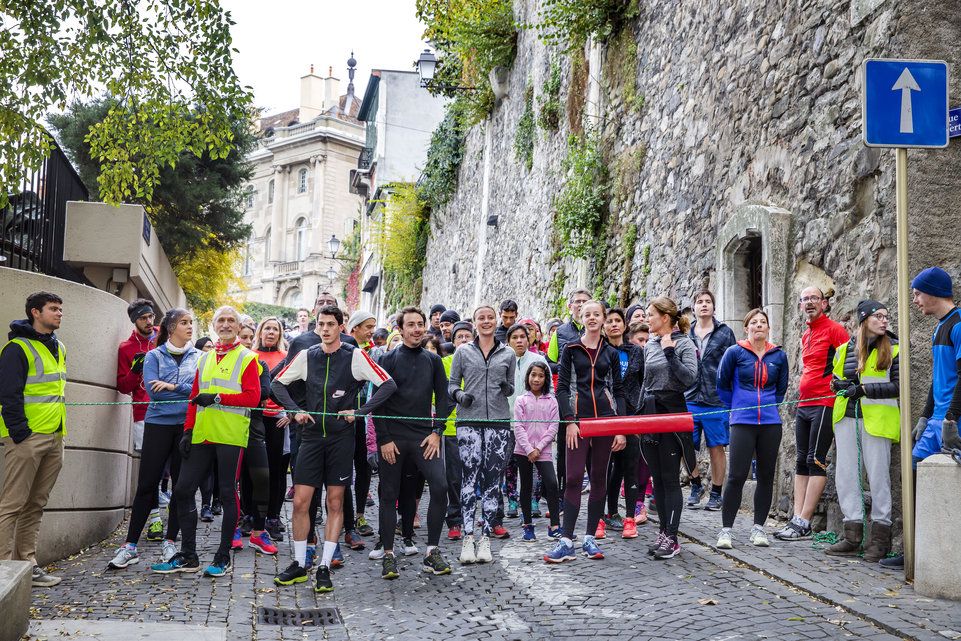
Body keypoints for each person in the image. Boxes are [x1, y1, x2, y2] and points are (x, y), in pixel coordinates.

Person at [271, 305, 397, 593]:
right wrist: (294, 410)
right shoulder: (306, 356)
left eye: (330, 324)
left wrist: (362, 411)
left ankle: (325, 566)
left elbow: (388, 384)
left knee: (335, 503)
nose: (325, 329)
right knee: (302, 502)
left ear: (341, 327)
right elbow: (277, 384)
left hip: (341, 440)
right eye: (321, 324)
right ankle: (301, 564)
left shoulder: (354, 356)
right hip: (311, 438)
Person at [150, 305, 261, 577]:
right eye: (220, 320)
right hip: (202, 433)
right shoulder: (205, 358)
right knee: (183, 490)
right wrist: (188, 430)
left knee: (226, 493)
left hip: (230, 435)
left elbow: (253, 398)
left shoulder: (248, 358)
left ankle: (223, 556)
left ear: (238, 326)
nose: (225, 324)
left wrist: (218, 398)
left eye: (230, 320)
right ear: (213, 325)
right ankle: (189, 555)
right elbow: (194, 397)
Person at [109, 308, 200, 570]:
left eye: (191, 322)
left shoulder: (200, 358)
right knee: (147, 484)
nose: (190, 327)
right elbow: (153, 393)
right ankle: (130, 547)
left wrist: (172, 387)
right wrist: (184, 392)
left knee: (180, 488)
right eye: (184, 323)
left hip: (186, 426)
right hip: (158, 424)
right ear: (171, 328)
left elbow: (198, 391)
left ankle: (170, 542)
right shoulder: (153, 356)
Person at [882, 269, 961, 570]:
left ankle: (942, 555)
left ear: (933, 292)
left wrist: (951, 418)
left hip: (952, 418)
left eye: (917, 293)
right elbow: (937, 379)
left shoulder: (958, 325)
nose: (914, 300)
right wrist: (926, 415)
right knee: (912, 471)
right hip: (937, 418)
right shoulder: (939, 328)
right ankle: (915, 549)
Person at [544, 300, 626, 563]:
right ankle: (567, 539)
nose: (591, 318)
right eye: (587, 314)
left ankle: (590, 537)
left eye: (596, 314)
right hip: (577, 423)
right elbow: (562, 387)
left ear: (603, 319)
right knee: (573, 478)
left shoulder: (611, 352)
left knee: (599, 477)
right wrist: (569, 420)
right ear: (580, 317)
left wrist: (620, 427)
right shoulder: (571, 349)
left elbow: (619, 391)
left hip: (604, 421)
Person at [374, 307, 452, 579]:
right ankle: (388, 554)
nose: (417, 329)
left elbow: (443, 399)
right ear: (401, 329)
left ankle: (431, 551)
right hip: (393, 439)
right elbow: (377, 402)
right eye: (411, 325)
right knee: (388, 494)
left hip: (423, 438)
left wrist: (437, 431)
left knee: (440, 486)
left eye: (420, 324)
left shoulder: (433, 361)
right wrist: (383, 438)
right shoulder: (387, 359)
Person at [0, 292, 67, 587]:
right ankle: (3, 570)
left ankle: (27, 565)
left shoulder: (59, 347)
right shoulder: (16, 348)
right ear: (35, 312)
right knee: (12, 504)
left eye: (60, 309)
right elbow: (8, 395)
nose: (59, 313)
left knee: (36, 504)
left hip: (54, 436)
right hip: (26, 439)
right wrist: (20, 433)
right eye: (53, 309)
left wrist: (57, 434)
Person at [825, 300, 899, 562]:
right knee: (846, 477)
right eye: (878, 316)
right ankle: (852, 535)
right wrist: (839, 385)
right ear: (864, 319)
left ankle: (879, 539)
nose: (884, 320)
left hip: (878, 421)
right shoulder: (844, 350)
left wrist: (865, 390)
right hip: (847, 417)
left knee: (878, 479)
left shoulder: (894, 348)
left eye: (886, 316)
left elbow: (897, 387)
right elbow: (834, 379)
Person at [775, 287, 848, 541]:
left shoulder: (836, 330)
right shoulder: (806, 334)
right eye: (805, 299)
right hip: (804, 404)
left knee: (816, 460)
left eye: (814, 299)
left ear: (824, 303)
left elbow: (849, 365)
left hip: (825, 403)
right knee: (800, 460)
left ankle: (804, 521)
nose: (809, 303)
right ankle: (796, 519)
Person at [715, 308, 789, 550]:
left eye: (763, 322)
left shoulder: (779, 356)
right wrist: (739, 406)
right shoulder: (734, 353)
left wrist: (766, 407)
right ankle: (726, 530)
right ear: (746, 328)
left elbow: (780, 389)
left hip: (770, 423)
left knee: (766, 476)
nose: (759, 325)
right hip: (742, 422)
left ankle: (759, 528)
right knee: (736, 476)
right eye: (754, 322)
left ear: (768, 328)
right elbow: (723, 385)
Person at [449, 306, 515, 564]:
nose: (486, 322)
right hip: (468, 422)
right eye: (481, 318)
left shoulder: (507, 352)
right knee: (469, 478)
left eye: (490, 317)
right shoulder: (462, 352)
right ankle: (468, 537)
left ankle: (485, 536)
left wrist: (507, 387)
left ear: (496, 320)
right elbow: (451, 384)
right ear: (474, 323)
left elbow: (510, 389)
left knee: (492, 480)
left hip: (498, 422)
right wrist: (459, 396)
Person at [640, 296, 698, 560]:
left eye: (651, 314)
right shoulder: (648, 345)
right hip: (651, 413)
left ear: (665, 317)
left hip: (673, 412)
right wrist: (639, 415)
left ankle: (673, 537)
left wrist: (669, 351)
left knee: (671, 477)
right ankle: (663, 532)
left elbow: (689, 379)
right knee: (658, 478)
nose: (646, 319)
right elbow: (645, 383)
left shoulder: (685, 343)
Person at [116, 298, 164, 539]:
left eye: (151, 317)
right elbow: (123, 386)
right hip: (143, 414)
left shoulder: (163, 337)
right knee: (150, 470)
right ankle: (155, 520)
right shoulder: (126, 347)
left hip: (171, 410)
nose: (149, 322)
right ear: (134, 320)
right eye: (143, 318)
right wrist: (135, 372)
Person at [685, 290, 737, 511]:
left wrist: (731, 397)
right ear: (694, 308)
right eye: (699, 302)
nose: (704, 305)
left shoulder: (725, 333)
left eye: (708, 302)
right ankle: (696, 484)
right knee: (685, 445)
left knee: (716, 447)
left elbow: (733, 364)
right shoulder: (685, 333)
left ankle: (716, 492)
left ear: (714, 307)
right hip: (689, 396)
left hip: (716, 399)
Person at [600, 308, 645, 540]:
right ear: (603, 326)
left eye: (618, 321)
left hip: (631, 415)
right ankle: (609, 513)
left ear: (625, 325)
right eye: (609, 321)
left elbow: (640, 381)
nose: (614, 325)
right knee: (609, 467)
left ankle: (629, 517)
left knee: (630, 466)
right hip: (606, 414)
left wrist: (637, 410)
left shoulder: (635, 351)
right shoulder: (600, 351)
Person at [547, 289, 591, 495]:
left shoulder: (597, 330)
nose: (581, 305)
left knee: (594, 451)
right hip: (567, 397)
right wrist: (569, 365)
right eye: (577, 302)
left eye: (585, 301)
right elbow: (550, 362)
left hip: (593, 397)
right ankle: (563, 494)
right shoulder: (561, 333)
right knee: (565, 449)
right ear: (569, 306)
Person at [514, 362, 561, 542]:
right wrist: (528, 449)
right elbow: (518, 427)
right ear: (528, 377)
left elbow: (553, 427)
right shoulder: (521, 400)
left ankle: (555, 525)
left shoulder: (551, 401)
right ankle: (527, 525)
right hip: (523, 451)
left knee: (551, 483)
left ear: (546, 378)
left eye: (541, 375)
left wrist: (538, 448)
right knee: (525, 486)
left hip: (544, 451)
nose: (536, 379)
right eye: (533, 375)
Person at [343, 310, 379, 542]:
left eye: (373, 327)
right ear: (354, 328)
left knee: (364, 466)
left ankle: (359, 515)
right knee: (344, 470)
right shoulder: (343, 350)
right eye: (368, 327)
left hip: (365, 418)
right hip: (345, 418)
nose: (372, 331)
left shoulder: (375, 352)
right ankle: (344, 518)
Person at [442, 320, 474, 541]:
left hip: (476, 425)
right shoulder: (444, 363)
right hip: (452, 427)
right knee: (454, 478)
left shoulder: (480, 362)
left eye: (467, 336)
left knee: (473, 476)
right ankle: (454, 520)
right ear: (452, 341)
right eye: (459, 337)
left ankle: (471, 517)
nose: (463, 340)